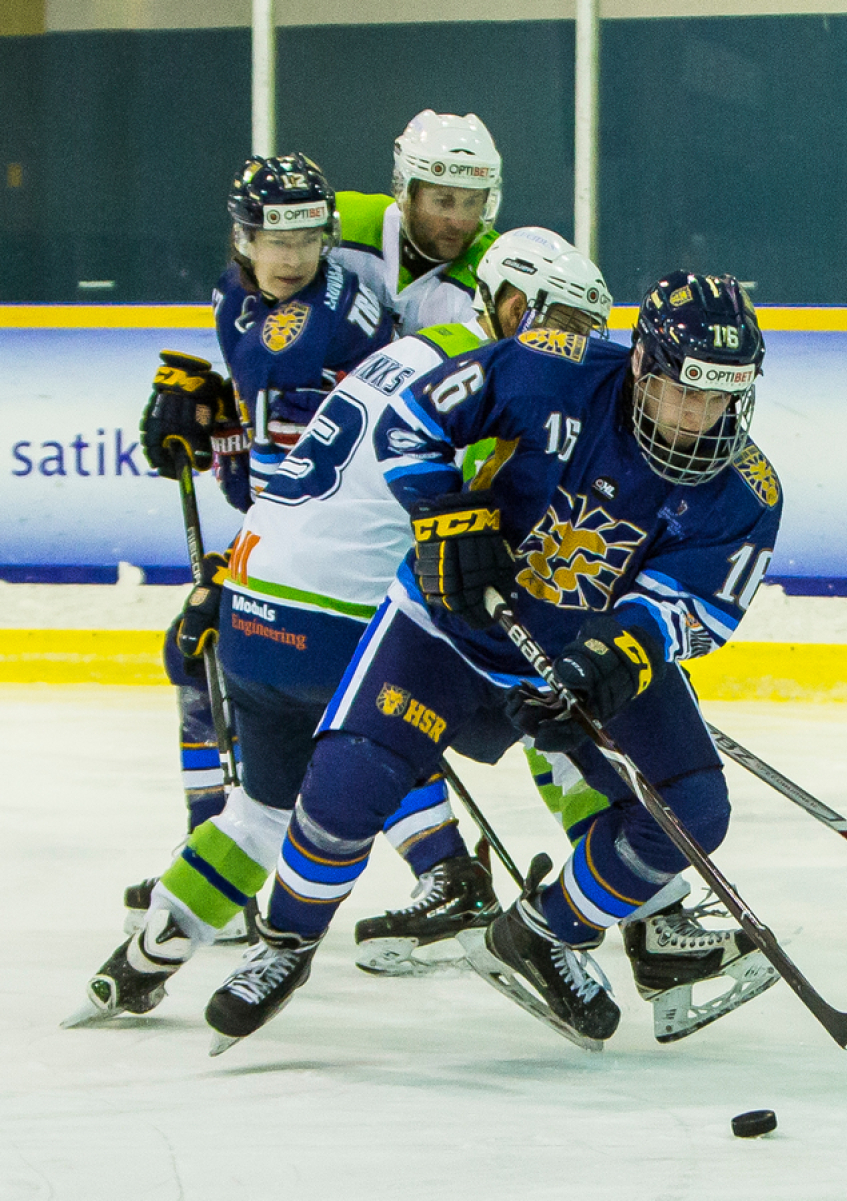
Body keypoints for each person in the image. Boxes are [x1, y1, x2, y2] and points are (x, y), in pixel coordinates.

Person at [199, 271, 783, 1053]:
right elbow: (408, 420)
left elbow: (696, 609)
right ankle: (286, 944)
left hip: (579, 648)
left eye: (723, 400)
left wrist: (612, 659)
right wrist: (446, 514)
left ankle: (544, 932)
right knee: (348, 783)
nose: (702, 419)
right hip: (449, 625)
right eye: (687, 394)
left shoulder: (748, 489)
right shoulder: (551, 366)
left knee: (694, 808)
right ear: (643, 364)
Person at [66, 228, 615, 1029]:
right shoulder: (498, 380)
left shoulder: (414, 349)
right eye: (562, 320)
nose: (572, 344)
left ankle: (140, 961)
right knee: (551, 706)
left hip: (251, 606)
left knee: (259, 812)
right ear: (511, 302)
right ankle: (631, 913)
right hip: (336, 625)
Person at [120, 153, 393, 941]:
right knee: (195, 654)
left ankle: (445, 866)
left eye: (307, 237)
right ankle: (212, 842)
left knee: (352, 701)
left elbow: (292, 405)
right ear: (242, 238)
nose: (290, 256)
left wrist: (229, 417)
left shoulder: (329, 315)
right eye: (273, 238)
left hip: (344, 543)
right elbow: (256, 474)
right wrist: (213, 418)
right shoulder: (238, 295)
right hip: (283, 529)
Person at [330, 110, 503, 336]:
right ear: (405, 192)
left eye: (471, 203)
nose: (458, 222)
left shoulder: (496, 269)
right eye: (443, 201)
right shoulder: (341, 221)